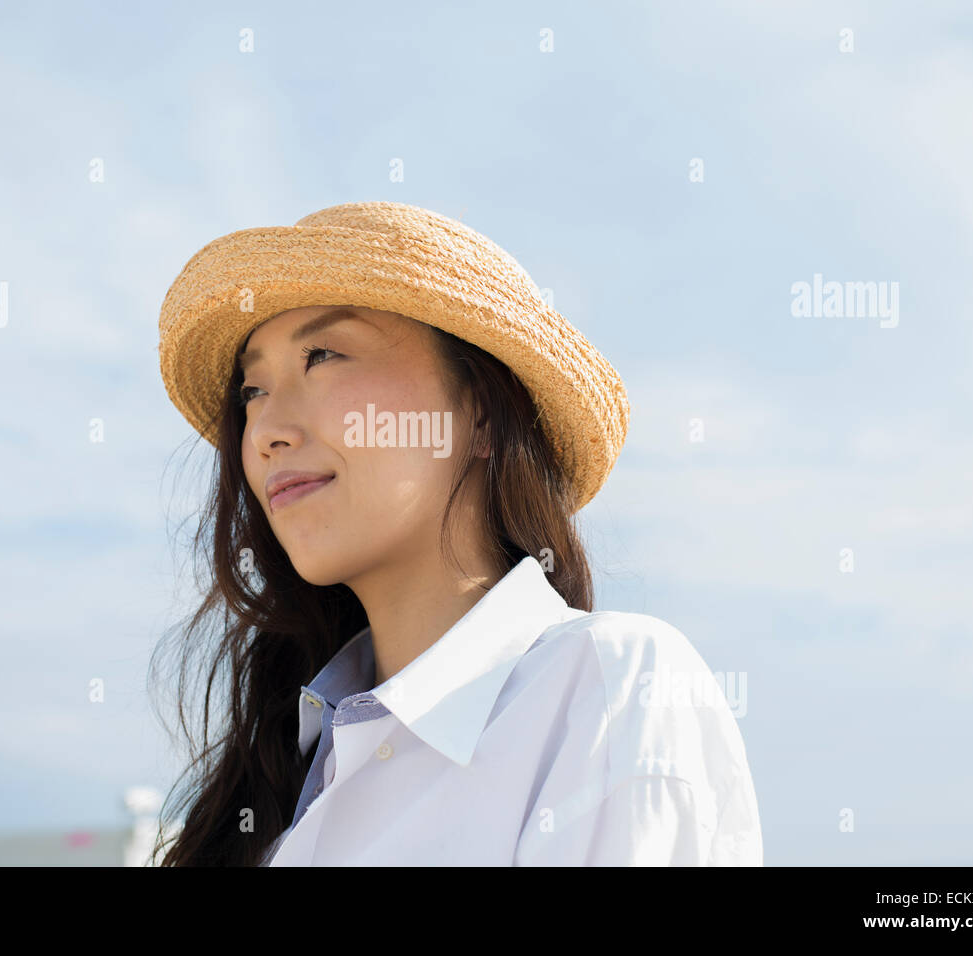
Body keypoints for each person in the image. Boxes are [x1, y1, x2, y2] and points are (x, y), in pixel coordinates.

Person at [150, 201, 761, 866]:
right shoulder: (286, 766)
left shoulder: (608, 687)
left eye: (323, 355)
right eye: (252, 391)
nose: (266, 431)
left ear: (482, 415)